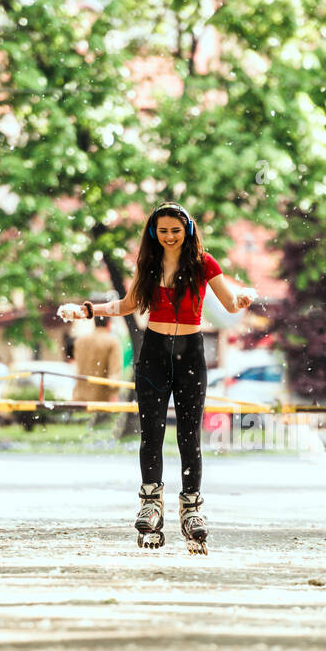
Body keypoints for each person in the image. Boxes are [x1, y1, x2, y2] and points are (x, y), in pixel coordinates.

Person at [56, 201, 258, 553]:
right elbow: (126, 305)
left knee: (189, 434)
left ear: (188, 231)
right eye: (162, 231)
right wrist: (85, 310)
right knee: (151, 432)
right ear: (154, 231)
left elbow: (228, 303)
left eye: (175, 231)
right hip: (153, 351)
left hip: (191, 353)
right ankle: (150, 504)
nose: (169, 237)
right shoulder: (148, 265)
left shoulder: (203, 264)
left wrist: (242, 298)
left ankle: (192, 508)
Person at [71, 316, 123, 427]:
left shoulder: (80, 341)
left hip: (79, 398)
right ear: (109, 324)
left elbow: (78, 366)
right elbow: (114, 371)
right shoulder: (112, 342)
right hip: (102, 400)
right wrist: (114, 393)